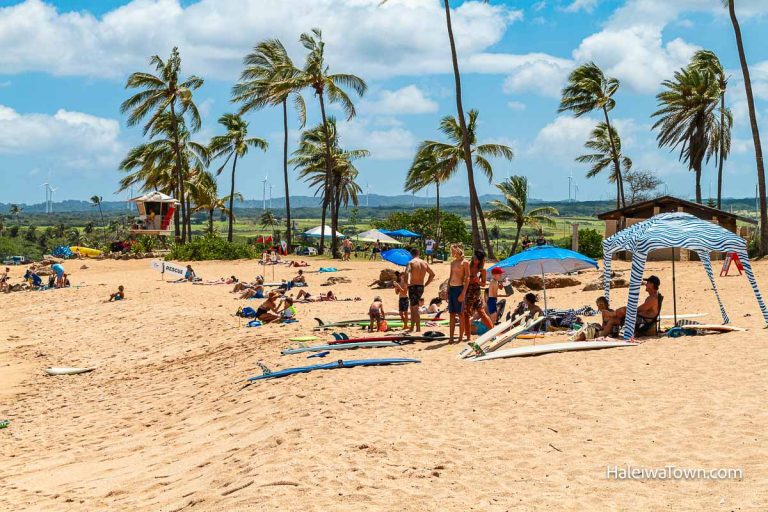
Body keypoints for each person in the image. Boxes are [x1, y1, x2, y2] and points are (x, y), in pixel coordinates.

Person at [461, 250, 493, 340]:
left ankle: (493, 332)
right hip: (467, 291)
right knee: (466, 313)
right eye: (474, 257)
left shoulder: (482, 270)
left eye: (476, 258)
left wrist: (478, 281)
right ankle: (468, 337)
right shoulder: (467, 267)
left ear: (479, 260)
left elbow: (483, 284)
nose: (474, 259)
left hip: (476, 292)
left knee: (482, 312)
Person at [405, 248, 435, 333]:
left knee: (415, 308)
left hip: (413, 286)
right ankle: (412, 327)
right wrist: (426, 283)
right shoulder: (424, 263)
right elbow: (432, 274)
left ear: (411, 254)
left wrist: (407, 283)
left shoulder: (411, 262)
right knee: (413, 306)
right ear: (418, 253)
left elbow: (406, 272)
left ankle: (417, 328)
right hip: (421, 286)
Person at [447, 244, 469, 343]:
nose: (451, 253)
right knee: (451, 314)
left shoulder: (465, 263)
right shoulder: (453, 262)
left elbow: (467, 278)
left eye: (453, 251)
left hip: (459, 289)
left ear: (457, 250)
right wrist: (447, 290)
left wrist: (463, 292)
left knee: (460, 314)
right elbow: (450, 276)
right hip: (451, 288)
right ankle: (451, 337)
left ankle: (460, 337)